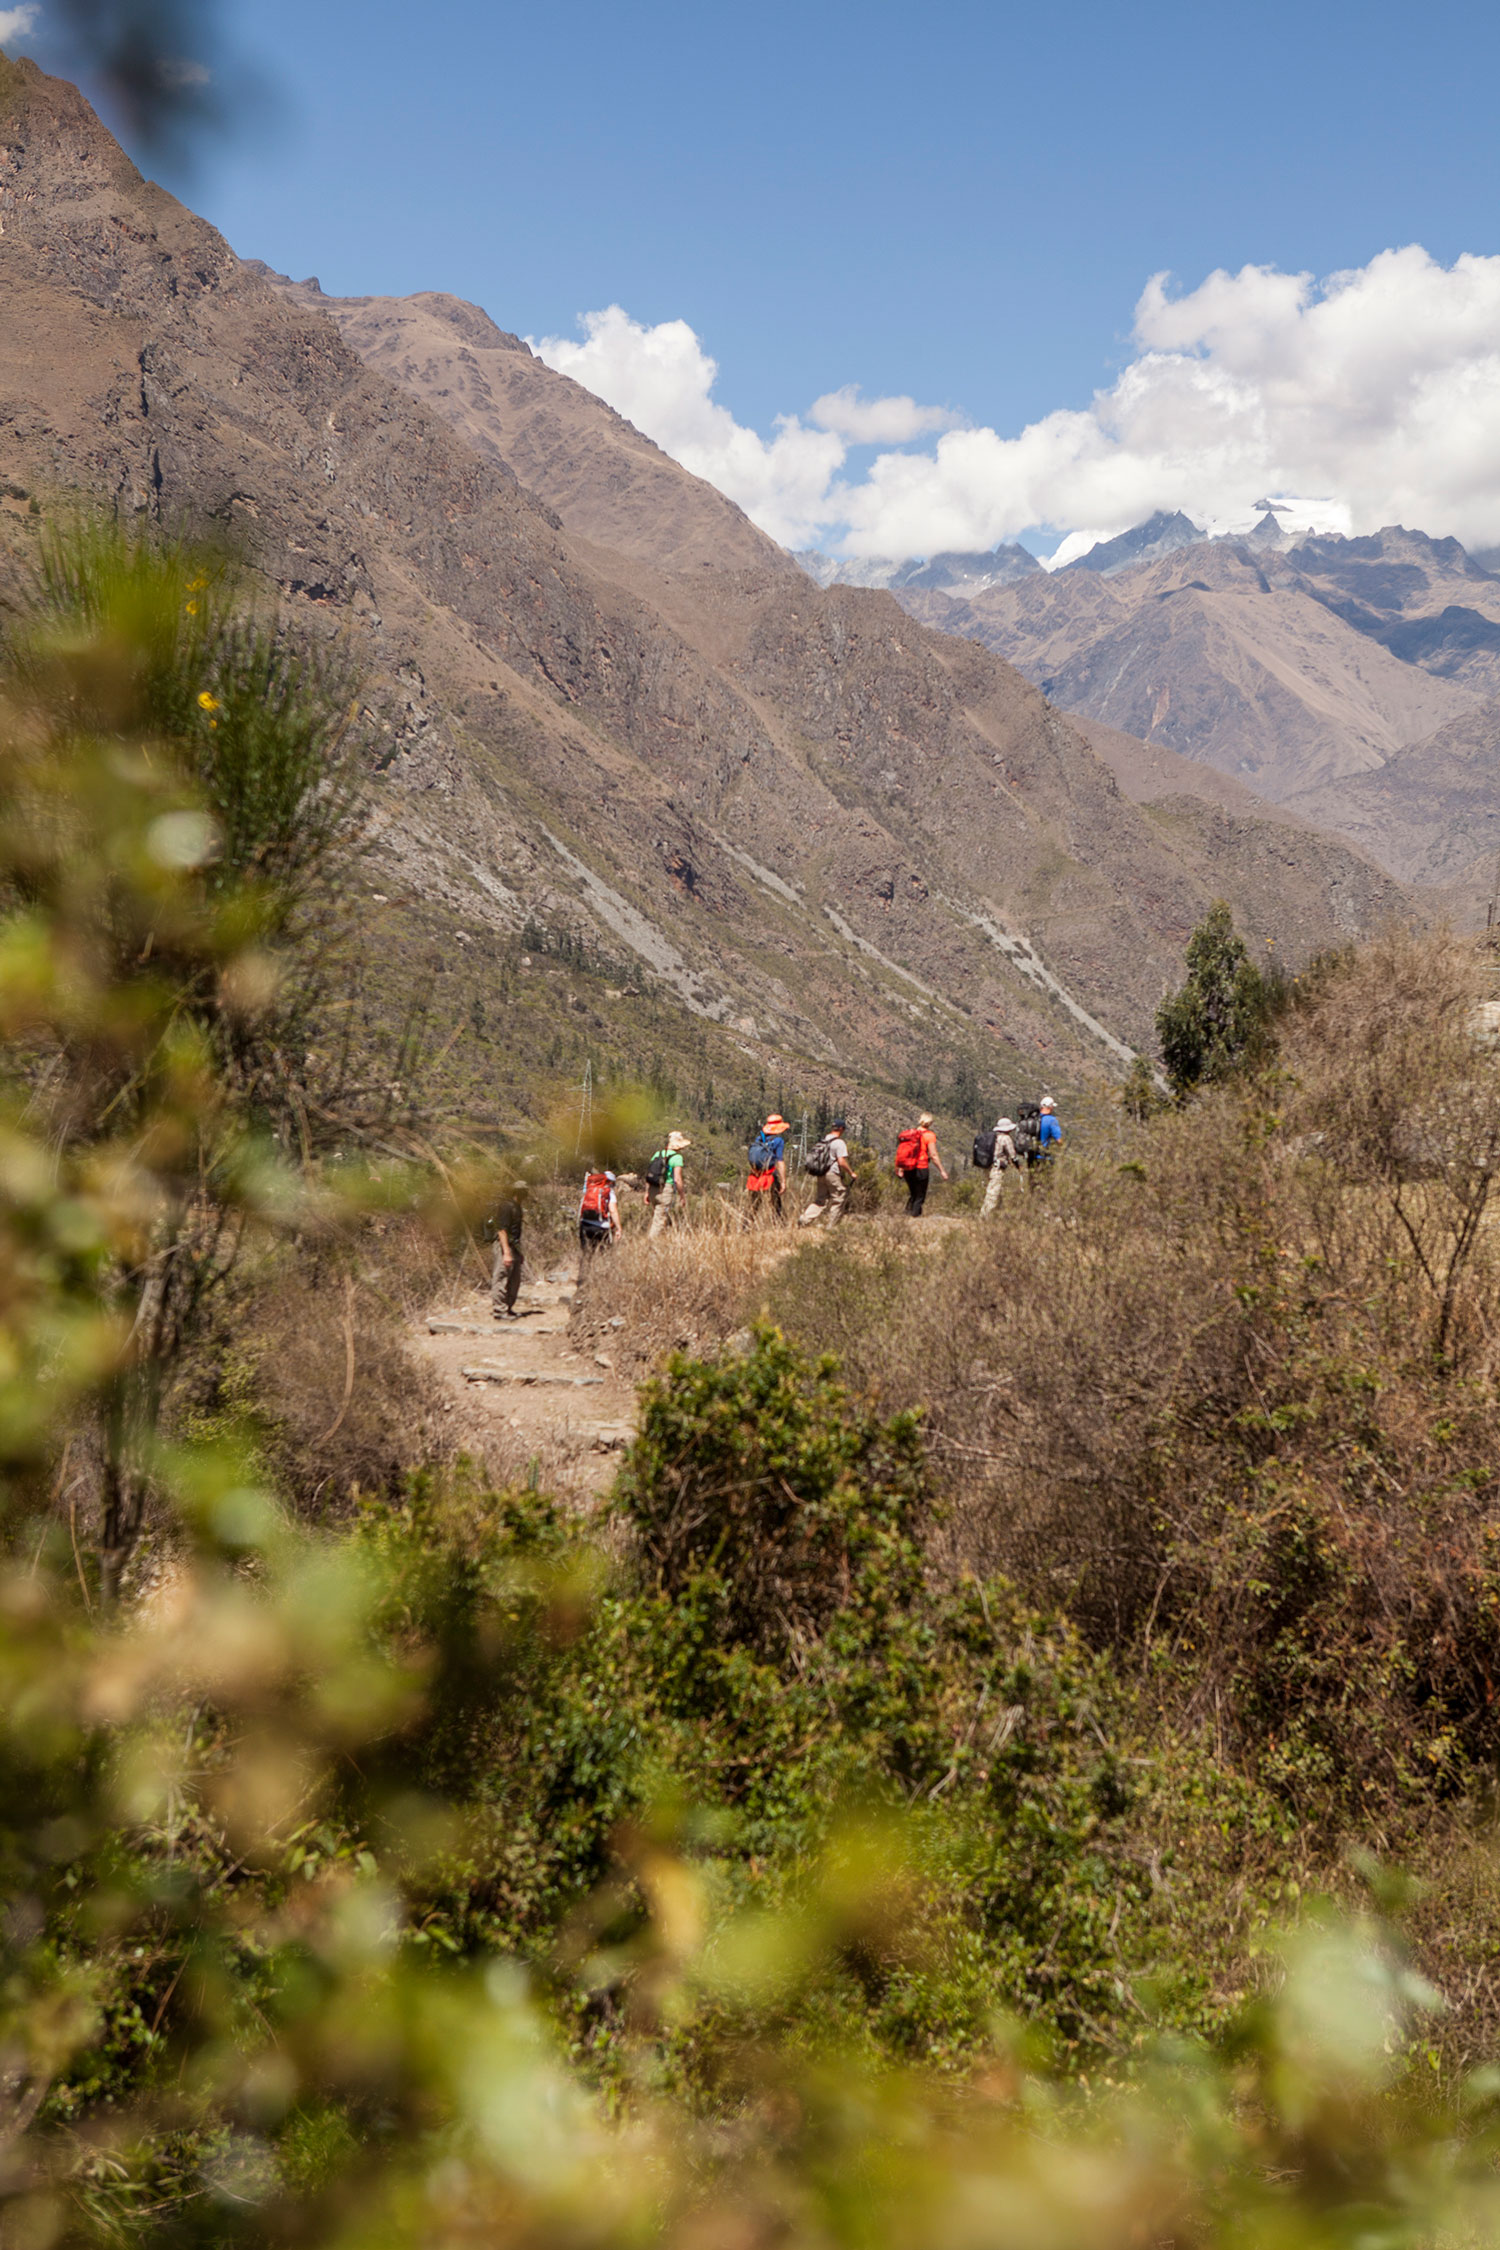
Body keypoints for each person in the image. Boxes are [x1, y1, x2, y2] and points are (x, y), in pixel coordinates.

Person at [797, 1117, 853, 1228]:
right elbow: (841, 1161)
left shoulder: (824, 1140)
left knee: (820, 1200)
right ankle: (831, 1226)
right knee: (839, 1198)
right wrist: (851, 1173)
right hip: (833, 1174)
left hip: (821, 1174)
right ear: (841, 1129)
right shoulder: (839, 1143)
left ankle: (805, 1218)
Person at [487, 1180, 528, 1319]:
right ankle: (499, 1310)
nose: (526, 1193)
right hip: (504, 1245)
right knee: (502, 1276)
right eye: (523, 1191)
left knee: (515, 1278)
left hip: (514, 1246)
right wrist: (506, 1252)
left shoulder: (518, 1207)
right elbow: (502, 1230)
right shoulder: (506, 1206)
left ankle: (508, 1308)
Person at [897, 1112, 947, 1217]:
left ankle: (906, 1216)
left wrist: (901, 1169)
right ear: (930, 1123)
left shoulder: (910, 1134)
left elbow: (904, 1152)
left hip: (908, 1168)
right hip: (921, 1168)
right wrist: (942, 1170)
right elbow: (933, 1155)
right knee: (920, 1196)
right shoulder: (930, 1135)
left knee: (913, 1194)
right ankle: (914, 1218)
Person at [647, 1130, 691, 1238]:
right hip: (665, 1191)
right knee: (659, 1222)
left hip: (653, 1189)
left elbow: (649, 1174)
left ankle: (661, 1241)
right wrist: (682, 1196)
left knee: (659, 1217)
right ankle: (649, 1245)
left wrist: (646, 1192)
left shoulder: (658, 1154)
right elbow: (677, 1179)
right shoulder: (677, 1158)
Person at [746, 1113, 788, 1221]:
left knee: (754, 1204)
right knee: (776, 1204)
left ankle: (745, 1227)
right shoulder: (778, 1141)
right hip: (769, 1175)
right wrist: (783, 1182)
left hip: (755, 1175)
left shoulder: (759, 1139)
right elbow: (780, 1161)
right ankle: (779, 1226)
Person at [980, 1116, 1022, 1217]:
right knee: (993, 1193)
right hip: (997, 1169)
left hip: (987, 1167)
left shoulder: (993, 1137)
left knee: (992, 1190)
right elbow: (1013, 1156)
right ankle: (984, 1216)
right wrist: (1019, 1167)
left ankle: (996, 1215)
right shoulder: (1006, 1138)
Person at [578, 1165, 620, 1255]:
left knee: (586, 1255)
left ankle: (584, 1269)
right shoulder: (608, 1191)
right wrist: (619, 1228)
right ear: (611, 1182)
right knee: (604, 1255)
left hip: (584, 1224)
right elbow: (613, 1210)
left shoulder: (589, 1188)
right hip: (601, 1227)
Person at [1037, 1097, 1062, 1165]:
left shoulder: (1034, 1118)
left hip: (1032, 1156)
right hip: (1045, 1157)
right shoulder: (1051, 1120)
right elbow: (1059, 1140)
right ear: (1050, 1107)